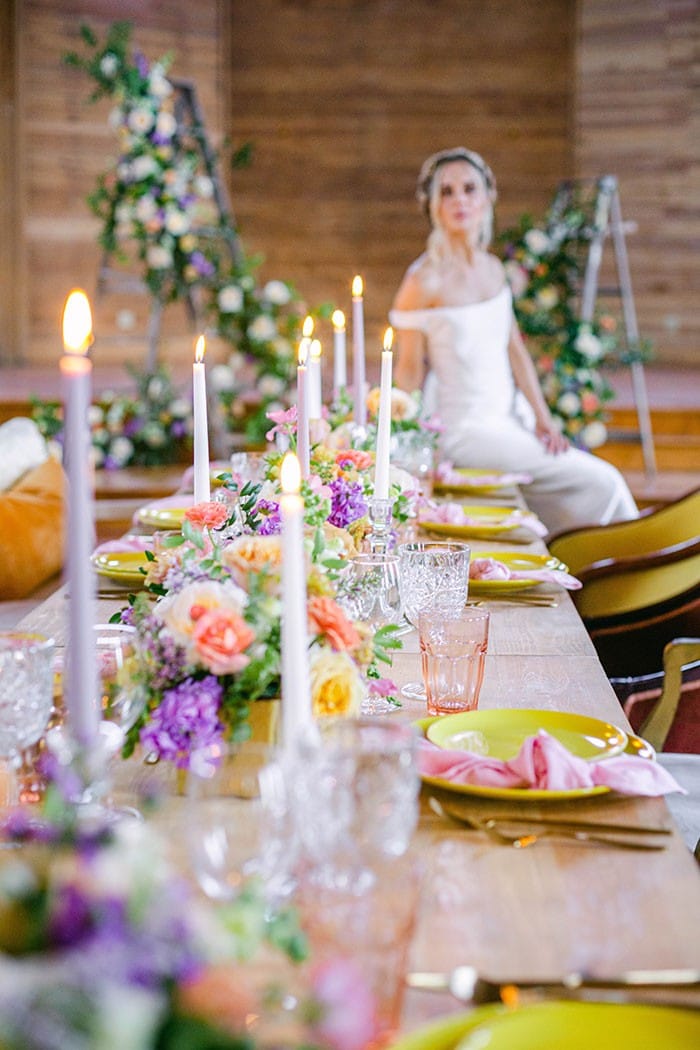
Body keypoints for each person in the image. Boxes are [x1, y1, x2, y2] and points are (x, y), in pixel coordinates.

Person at [389, 146, 639, 537]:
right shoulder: (423, 281)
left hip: (515, 417)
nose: (460, 200)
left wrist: (543, 419)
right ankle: (621, 572)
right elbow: (407, 373)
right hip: (469, 430)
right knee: (603, 481)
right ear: (432, 204)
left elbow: (514, 351)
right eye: (447, 191)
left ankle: (591, 562)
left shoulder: (492, 269)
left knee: (586, 477)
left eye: (470, 188)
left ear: (488, 196)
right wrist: (405, 443)